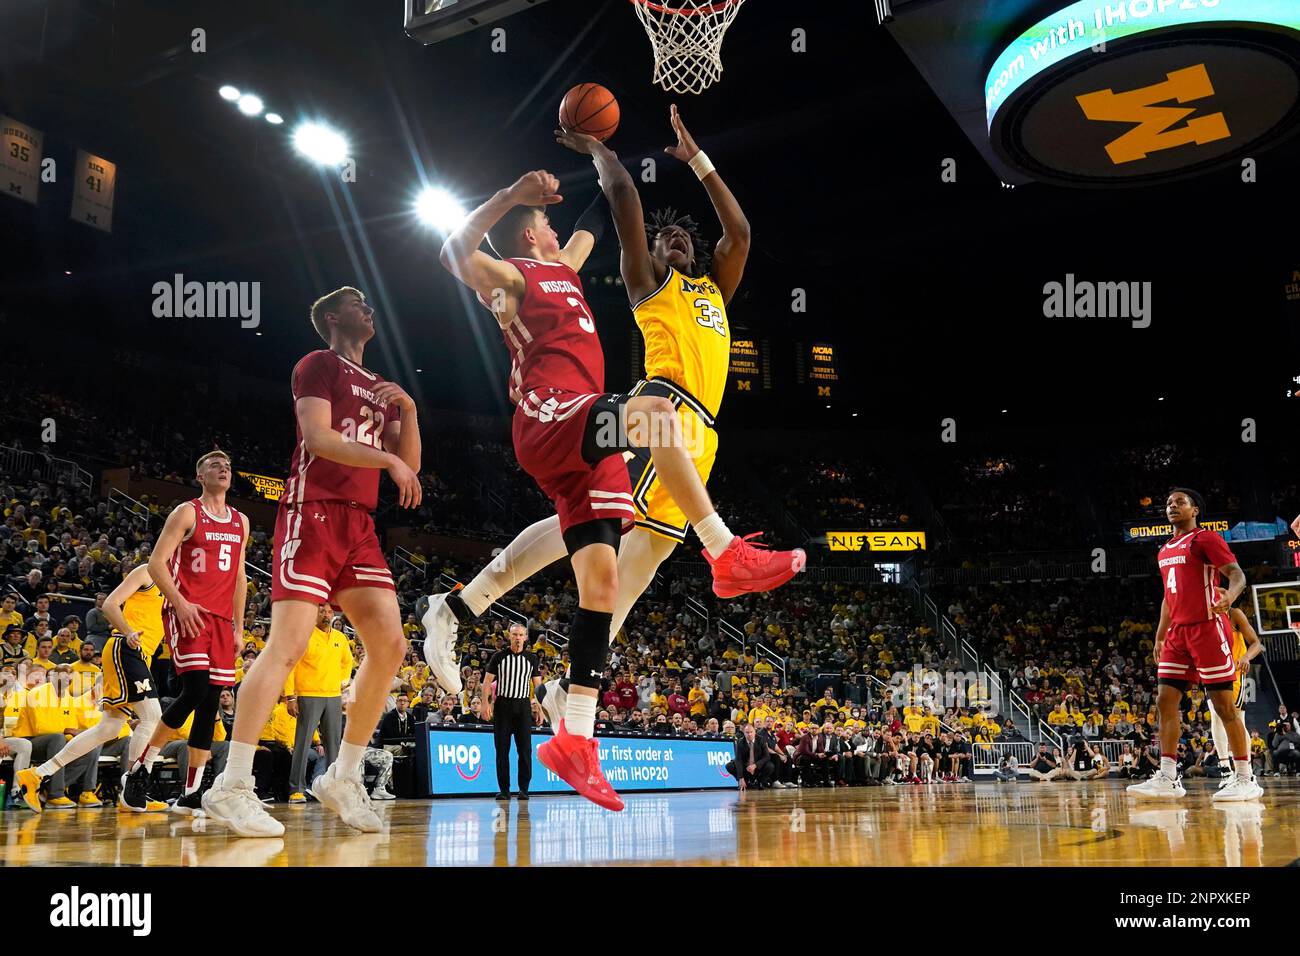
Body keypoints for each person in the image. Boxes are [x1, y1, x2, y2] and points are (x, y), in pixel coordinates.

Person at [425, 126, 805, 791]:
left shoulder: (709, 287)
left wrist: (697, 161)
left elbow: (734, 235)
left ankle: (573, 715)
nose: (672, 240)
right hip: (646, 407)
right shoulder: (643, 281)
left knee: (625, 573)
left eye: (681, 236)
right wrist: (600, 152)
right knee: (609, 523)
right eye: (662, 240)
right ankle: (720, 552)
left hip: (701, 437)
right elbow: (621, 201)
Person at [204, 286, 423, 838]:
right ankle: (231, 785)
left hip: (360, 524)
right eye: (356, 301)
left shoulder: (381, 387)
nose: (368, 307)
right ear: (331, 316)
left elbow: (409, 468)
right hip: (313, 511)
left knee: (391, 645)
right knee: (288, 645)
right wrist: (388, 462)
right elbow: (320, 439)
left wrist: (410, 412)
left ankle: (343, 775)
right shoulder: (318, 364)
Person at [1128, 489, 1262, 802]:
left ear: (1195, 509)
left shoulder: (1205, 539)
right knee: (1165, 700)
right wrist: (1160, 634)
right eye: (1168, 503)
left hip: (1207, 629)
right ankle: (1168, 776)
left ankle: (1245, 777)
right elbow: (1168, 597)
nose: (1172, 506)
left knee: (1223, 706)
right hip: (1177, 633)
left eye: (1179, 502)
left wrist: (1230, 595)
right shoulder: (1164, 549)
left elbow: (1236, 574)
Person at [15, 558, 169, 814]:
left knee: (109, 728)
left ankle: (37, 774)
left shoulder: (175, 587)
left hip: (143, 655)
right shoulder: (148, 572)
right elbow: (110, 604)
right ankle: (134, 789)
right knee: (152, 717)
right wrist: (128, 631)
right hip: (125, 647)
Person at [286, 604, 354, 804]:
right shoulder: (303, 635)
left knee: (334, 745)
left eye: (329, 612)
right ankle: (296, 789)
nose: (326, 615)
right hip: (308, 695)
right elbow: (291, 666)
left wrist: (343, 685)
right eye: (322, 611)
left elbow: (347, 662)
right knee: (303, 743)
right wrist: (290, 696)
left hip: (333, 696)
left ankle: (333, 788)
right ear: (313, 613)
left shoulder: (340, 638)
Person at [483, 623, 541, 801]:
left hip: (523, 706)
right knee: (502, 749)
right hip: (503, 706)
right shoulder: (499, 657)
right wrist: (486, 703)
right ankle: (505, 790)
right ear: (509, 636)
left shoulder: (531, 658)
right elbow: (487, 682)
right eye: (515, 634)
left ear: (525, 637)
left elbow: (538, 686)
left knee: (525, 749)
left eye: (521, 635)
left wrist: (540, 709)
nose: (518, 638)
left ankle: (524, 789)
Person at [1210, 606, 1264, 791]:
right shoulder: (1201, 613)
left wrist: (1247, 657)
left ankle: (1246, 770)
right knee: (1215, 716)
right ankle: (1225, 769)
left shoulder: (1234, 613)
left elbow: (1257, 644)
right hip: (1211, 670)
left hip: (1234, 671)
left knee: (1236, 719)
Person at [727, 722, 775, 790]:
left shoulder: (761, 740)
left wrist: (755, 765)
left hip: (758, 765)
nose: (749, 734)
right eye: (747, 732)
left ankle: (760, 781)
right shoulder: (740, 742)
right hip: (746, 767)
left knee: (770, 766)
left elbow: (766, 756)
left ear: (755, 732)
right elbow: (738, 760)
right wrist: (740, 778)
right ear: (744, 733)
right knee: (729, 765)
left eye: (751, 732)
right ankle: (744, 782)